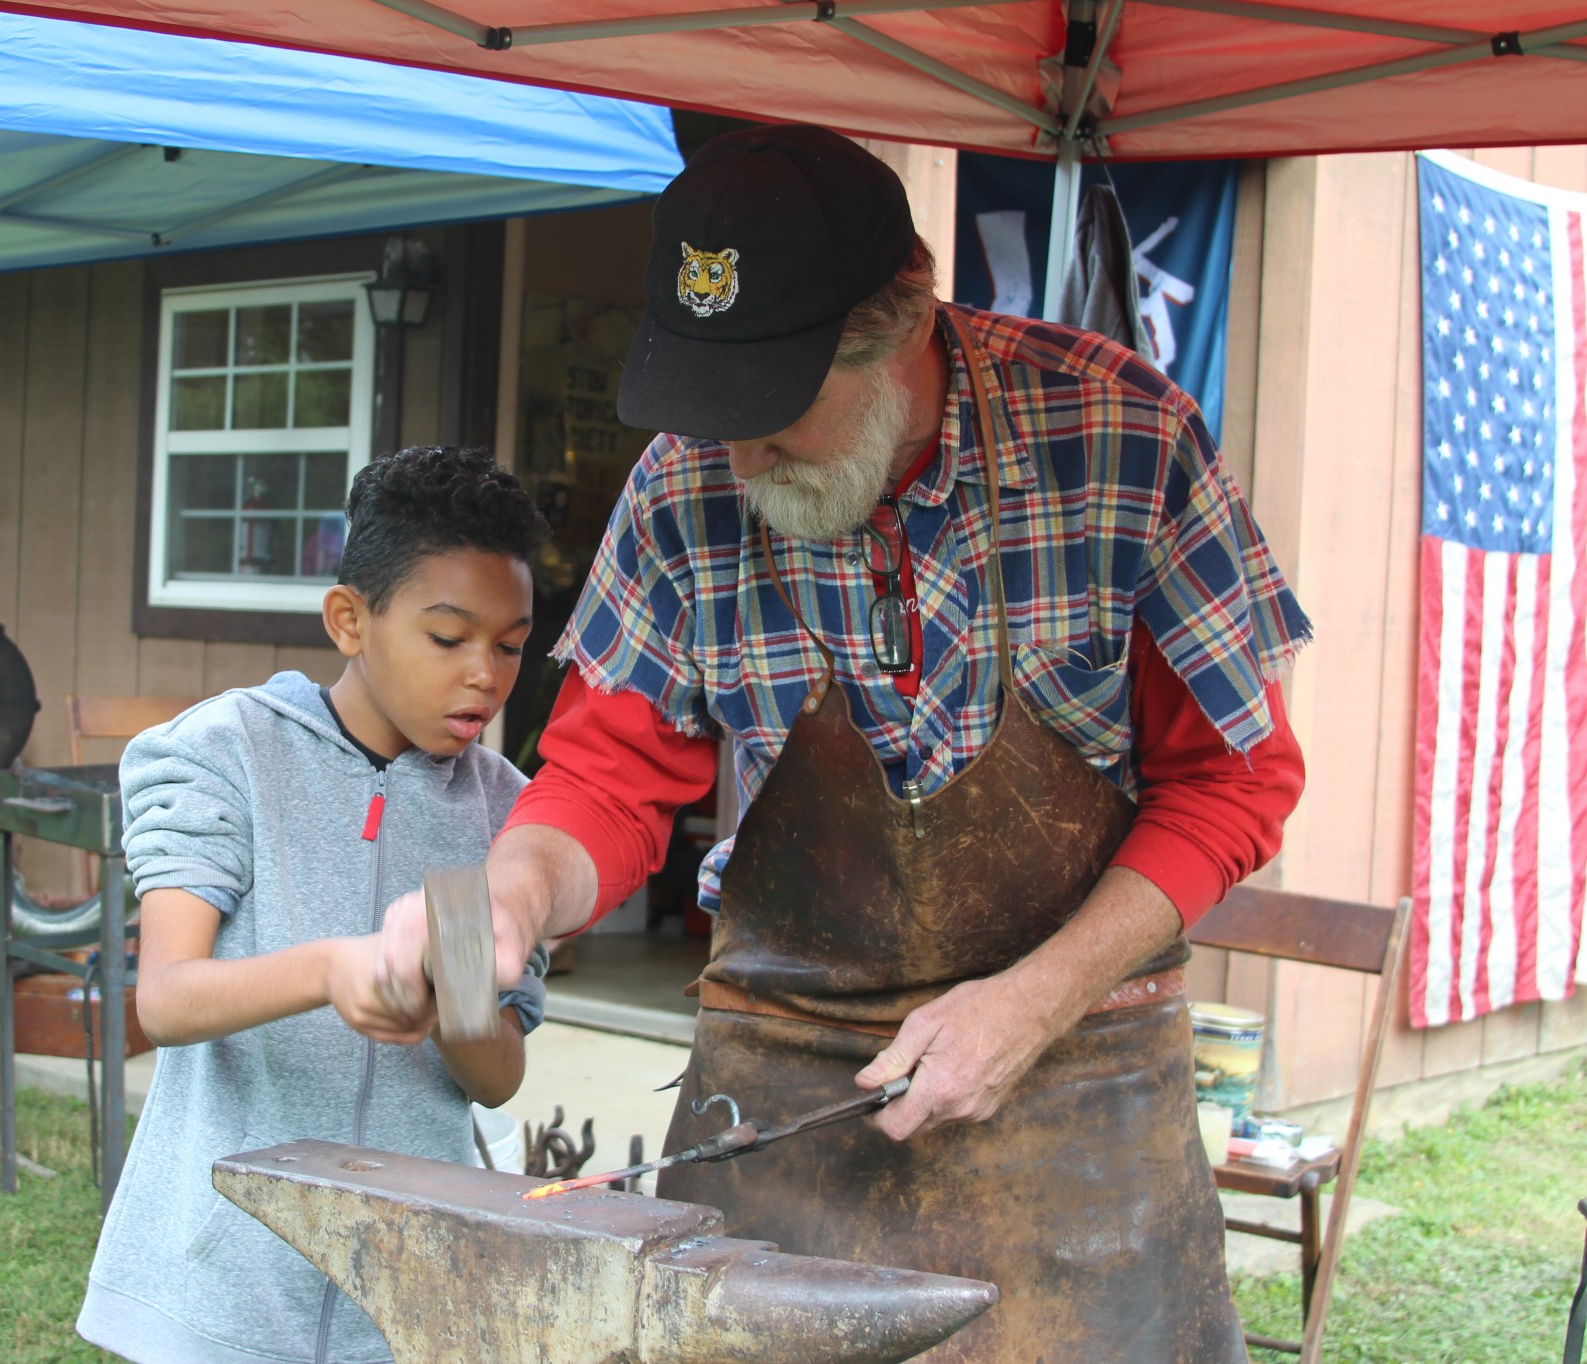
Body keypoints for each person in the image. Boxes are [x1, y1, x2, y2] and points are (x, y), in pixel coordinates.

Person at [372, 126, 1312, 1361]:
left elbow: (1234, 779)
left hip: (1078, 1076)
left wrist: (1035, 997)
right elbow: (608, 774)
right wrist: (508, 894)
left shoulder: (1124, 441)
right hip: (784, 1087)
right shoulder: (681, 489)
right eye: (713, 407)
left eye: (771, 409)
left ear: (904, 317)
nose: (737, 455)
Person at [78, 446, 553, 1364]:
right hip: (222, 1285)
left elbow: (496, 1078)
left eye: (510, 645)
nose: (484, 676)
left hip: (407, 1299)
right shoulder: (227, 753)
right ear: (350, 619)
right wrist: (335, 968)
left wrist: (450, 983)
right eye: (448, 638)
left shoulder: (506, 812)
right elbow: (167, 1000)